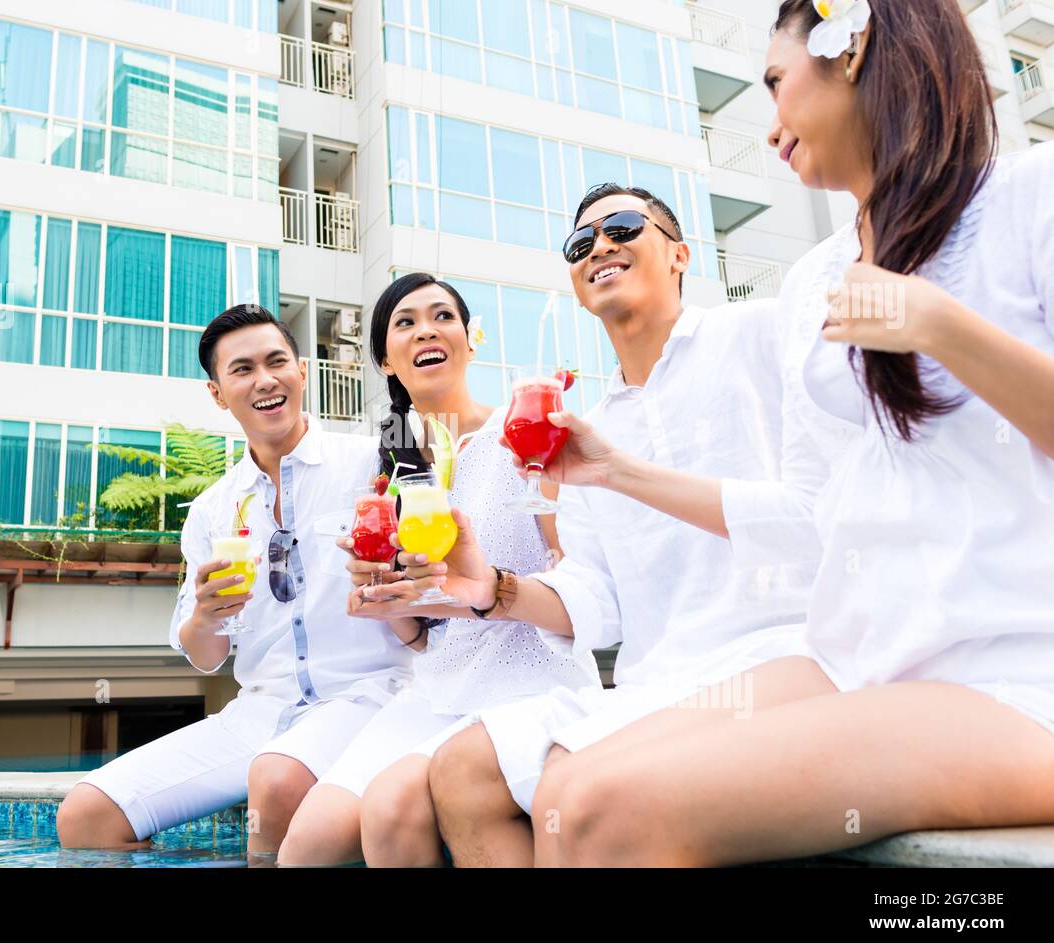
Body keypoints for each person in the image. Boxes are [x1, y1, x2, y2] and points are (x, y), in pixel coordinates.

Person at [509, 0, 1054, 866]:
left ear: (855, 47)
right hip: (859, 659)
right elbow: (807, 512)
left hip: (1013, 668)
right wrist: (616, 471)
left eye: (775, 83)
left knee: (617, 812)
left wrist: (940, 326)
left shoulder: (1028, 197)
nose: (768, 129)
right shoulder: (814, 281)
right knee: (568, 796)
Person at [379, 185, 842, 866]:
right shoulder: (592, 426)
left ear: (681, 253)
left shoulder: (762, 335)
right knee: (460, 772)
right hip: (657, 684)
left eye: (623, 227)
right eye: (581, 242)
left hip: (786, 653)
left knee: (577, 795)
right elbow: (595, 595)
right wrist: (491, 589)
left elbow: (823, 513)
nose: (600, 245)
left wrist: (619, 471)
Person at [56, 305, 418, 860]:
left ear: (301, 371)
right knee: (85, 815)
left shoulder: (373, 463)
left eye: (277, 362)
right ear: (218, 393)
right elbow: (205, 657)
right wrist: (205, 615)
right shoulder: (211, 509)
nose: (265, 380)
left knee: (274, 785)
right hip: (259, 713)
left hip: (368, 695)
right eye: (242, 369)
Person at [274, 273, 599, 866]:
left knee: (391, 808)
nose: (426, 328)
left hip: (531, 681)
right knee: (308, 844)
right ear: (386, 362)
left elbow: (582, 583)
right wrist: (391, 605)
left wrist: (487, 590)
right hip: (441, 687)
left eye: (442, 316)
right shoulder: (396, 472)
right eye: (406, 322)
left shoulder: (524, 435)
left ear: (471, 341)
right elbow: (424, 636)